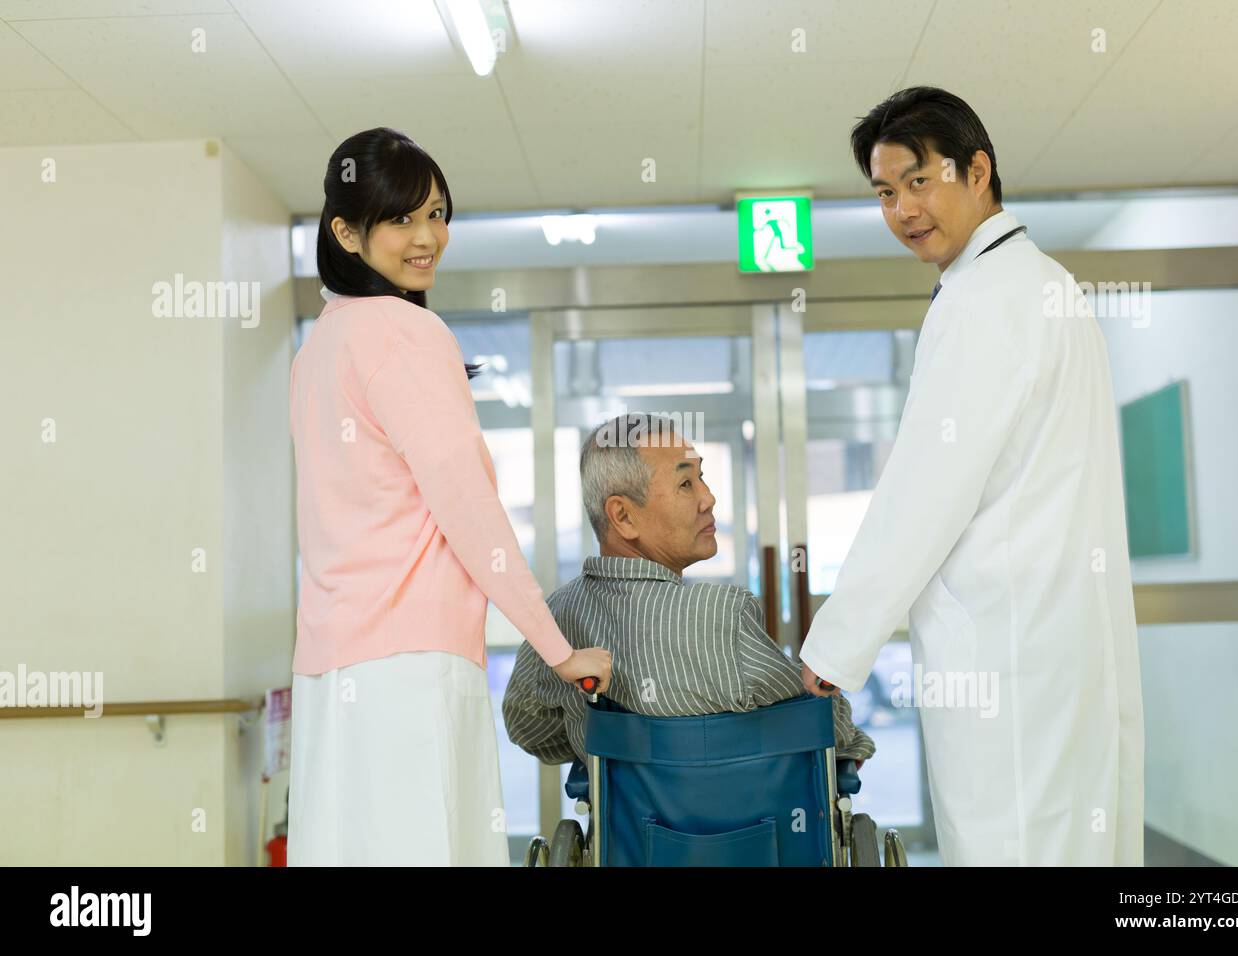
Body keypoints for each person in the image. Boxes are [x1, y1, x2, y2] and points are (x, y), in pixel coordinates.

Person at [799, 88, 1144, 866]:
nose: (902, 210)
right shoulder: (1045, 284)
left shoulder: (986, 299)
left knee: (1013, 843)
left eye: (919, 182)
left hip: (1011, 652)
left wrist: (835, 648)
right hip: (1058, 639)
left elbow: (925, 493)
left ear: (977, 170)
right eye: (885, 192)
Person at [287, 127, 610, 866]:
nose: (427, 236)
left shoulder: (317, 350)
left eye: (436, 212)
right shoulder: (405, 332)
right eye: (401, 218)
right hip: (411, 669)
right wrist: (556, 648)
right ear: (346, 231)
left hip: (330, 671)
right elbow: (467, 510)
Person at [504, 414, 873, 765]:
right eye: (685, 484)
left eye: (701, 478)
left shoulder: (557, 617)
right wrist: (852, 737)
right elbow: (819, 723)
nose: (708, 498)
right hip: (750, 824)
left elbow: (529, 730)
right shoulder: (722, 613)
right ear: (623, 516)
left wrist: (598, 743)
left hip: (628, 826)